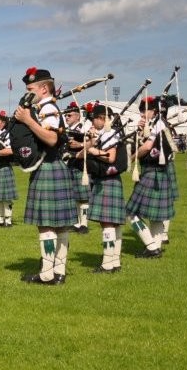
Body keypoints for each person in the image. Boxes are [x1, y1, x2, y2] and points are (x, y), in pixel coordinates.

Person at [13, 67, 77, 285]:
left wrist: (28, 121)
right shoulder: (45, 107)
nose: (27, 92)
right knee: (58, 225)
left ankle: (48, 273)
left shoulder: (48, 108)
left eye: (30, 88)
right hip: (54, 167)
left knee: (47, 224)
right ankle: (58, 271)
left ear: (43, 88)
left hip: (49, 166)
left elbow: (50, 139)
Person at [125, 96, 175, 259]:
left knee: (131, 213)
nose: (141, 114)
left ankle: (152, 247)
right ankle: (155, 248)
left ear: (153, 110)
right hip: (160, 172)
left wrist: (130, 159)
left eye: (143, 110)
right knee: (157, 217)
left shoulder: (157, 123)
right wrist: (140, 131)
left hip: (152, 171)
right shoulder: (157, 123)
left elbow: (146, 147)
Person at [79, 104, 126, 272]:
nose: (92, 122)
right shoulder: (102, 133)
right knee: (114, 223)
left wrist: (92, 150)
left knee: (107, 223)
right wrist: (90, 142)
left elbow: (111, 157)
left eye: (94, 119)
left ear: (101, 118)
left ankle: (107, 264)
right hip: (109, 181)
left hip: (107, 180)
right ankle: (115, 261)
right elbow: (79, 155)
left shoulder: (110, 133)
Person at [64, 102, 92, 234]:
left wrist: (79, 144)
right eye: (66, 115)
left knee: (83, 197)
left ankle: (84, 224)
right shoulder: (66, 129)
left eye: (69, 115)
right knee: (74, 196)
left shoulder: (84, 127)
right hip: (70, 163)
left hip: (82, 165)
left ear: (77, 116)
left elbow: (93, 142)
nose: (66, 117)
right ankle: (76, 223)